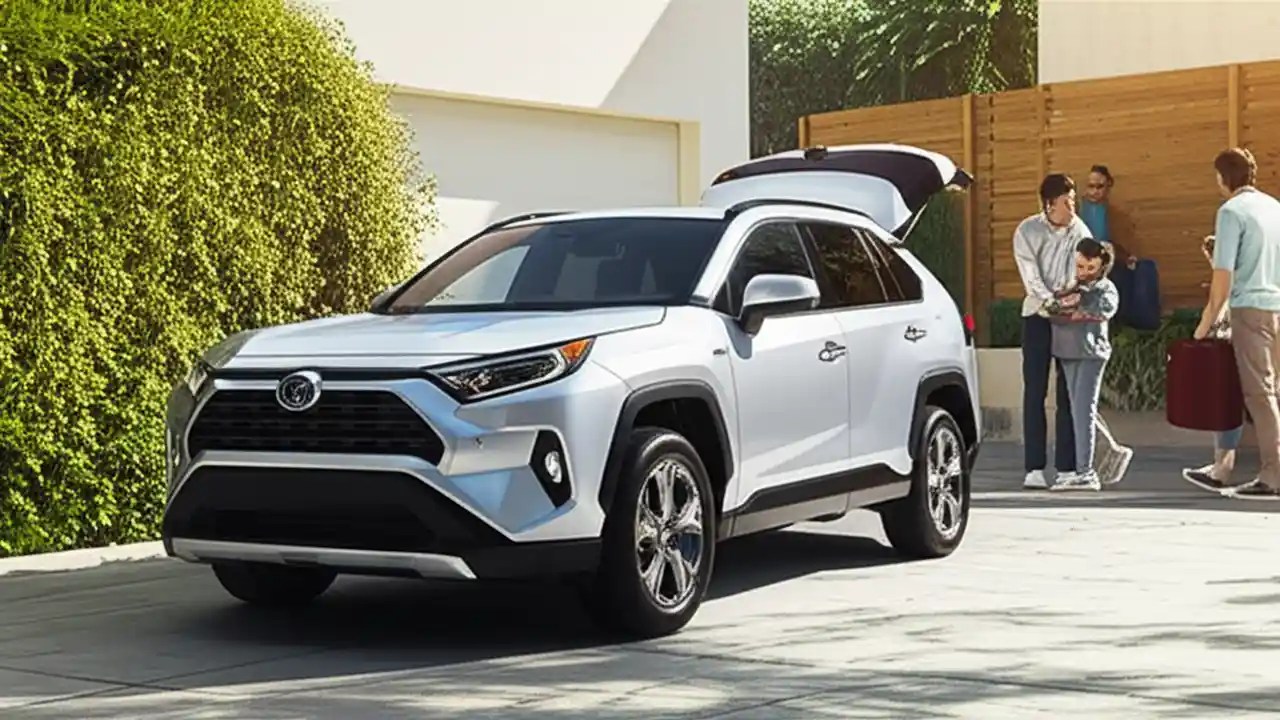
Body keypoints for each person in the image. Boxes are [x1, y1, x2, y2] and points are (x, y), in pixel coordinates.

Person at [1193, 147, 1280, 500]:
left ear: (1222, 177)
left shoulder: (1230, 211)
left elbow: (1223, 278)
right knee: (1275, 393)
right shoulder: (1274, 207)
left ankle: (1273, 475)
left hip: (1250, 310)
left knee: (1260, 394)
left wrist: (1205, 323)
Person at [1013, 173, 1091, 489]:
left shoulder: (1080, 231)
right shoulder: (1027, 231)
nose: (1072, 207)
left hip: (1069, 319)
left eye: (1074, 201)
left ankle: (1067, 468)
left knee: (1067, 393)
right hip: (1037, 316)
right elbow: (1030, 276)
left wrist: (1074, 299)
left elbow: (1087, 271)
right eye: (1066, 202)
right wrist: (1050, 302)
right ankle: (1034, 468)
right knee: (1035, 391)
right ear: (1049, 204)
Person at [1075, 164, 1136, 486]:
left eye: (1099, 186)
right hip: (1078, 330)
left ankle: (1099, 459)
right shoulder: (1081, 216)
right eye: (1090, 186)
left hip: (1088, 336)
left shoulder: (1111, 216)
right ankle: (1097, 457)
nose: (1094, 191)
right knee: (1078, 402)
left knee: (1081, 402)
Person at [1043, 239, 1120, 491]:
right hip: (1067, 351)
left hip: (1091, 353)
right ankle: (1082, 468)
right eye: (1080, 266)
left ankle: (1086, 472)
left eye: (1090, 267)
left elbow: (1100, 309)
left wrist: (1074, 306)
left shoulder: (1104, 289)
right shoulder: (1071, 287)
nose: (1084, 272)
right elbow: (1053, 310)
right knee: (1078, 410)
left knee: (1084, 410)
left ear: (1102, 267)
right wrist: (1064, 305)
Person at [1183, 234, 1247, 490]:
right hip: (1240, 342)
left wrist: (1198, 336)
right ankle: (1220, 466)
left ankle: (1222, 468)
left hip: (1242, 344)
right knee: (1232, 405)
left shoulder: (1231, 276)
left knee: (1233, 405)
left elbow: (1214, 308)